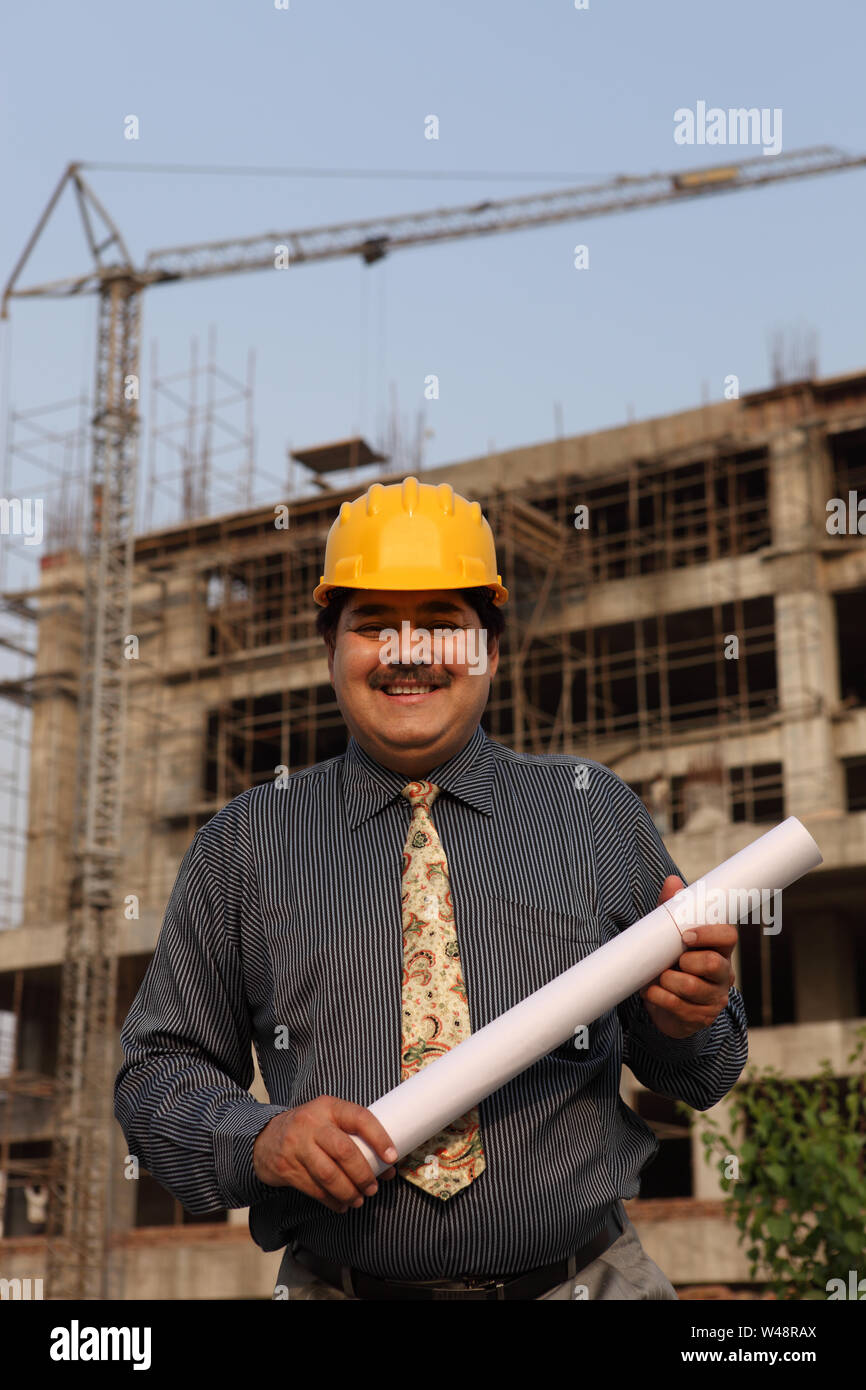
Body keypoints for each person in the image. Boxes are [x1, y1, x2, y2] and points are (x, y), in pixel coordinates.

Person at [114, 475, 748, 1301]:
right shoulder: (245, 845)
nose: (408, 652)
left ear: (490, 649)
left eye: (444, 626)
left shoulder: (594, 816)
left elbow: (708, 1070)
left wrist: (683, 1019)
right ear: (329, 650)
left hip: (583, 1283)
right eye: (373, 625)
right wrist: (258, 1138)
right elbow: (157, 1071)